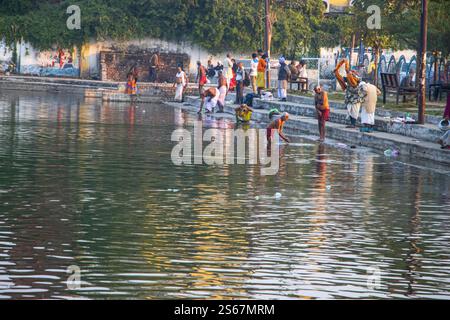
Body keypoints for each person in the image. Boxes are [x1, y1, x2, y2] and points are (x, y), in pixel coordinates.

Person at [334, 59, 365, 128]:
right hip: (349, 96)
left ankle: (353, 124)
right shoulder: (349, 76)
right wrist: (336, 73)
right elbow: (343, 79)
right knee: (350, 110)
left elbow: (355, 82)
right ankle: (352, 124)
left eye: (361, 68)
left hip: (356, 97)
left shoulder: (357, 77)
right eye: (360, 67)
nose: (360, 69)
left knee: (355, 111)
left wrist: (349, 74)